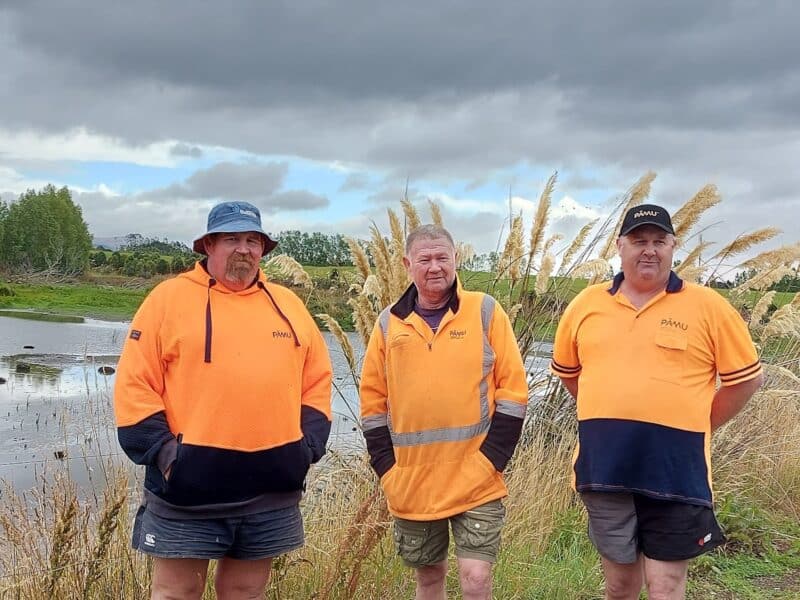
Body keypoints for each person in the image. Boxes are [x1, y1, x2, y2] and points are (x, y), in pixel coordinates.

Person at [114, 201, 332, 599]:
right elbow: (134, 384)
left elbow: (317, 378)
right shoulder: (167, 300)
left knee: (246, 591)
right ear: (209, 245)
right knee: (176, 593)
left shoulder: (289, 305)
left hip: (271, 487)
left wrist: (307, 447)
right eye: (232, 239)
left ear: (263, 249)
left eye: (253, 240)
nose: (244, 249)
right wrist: (165, 455)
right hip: (187, 489)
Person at [550, 204, 763, 600]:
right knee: (619, 586)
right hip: (605, 467)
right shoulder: (585, 305)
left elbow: (747, 380)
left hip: (676, 469)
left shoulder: (709, 306)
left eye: (658, 241)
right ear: (619, 247)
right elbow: (569, 373)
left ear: (673, 246)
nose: (649, 250)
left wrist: (698, 423)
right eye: (638, 241)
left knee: (666, 586)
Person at [360, 224, 528, 600]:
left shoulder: (485, 311)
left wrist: (491, 461)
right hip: (412, 482)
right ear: (408, 264)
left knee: (476, 578)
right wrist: (388, 469)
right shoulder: (388, 323)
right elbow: (372, 403)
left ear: (455, 261)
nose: (435, 267)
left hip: (477, 479)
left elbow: (514, 393)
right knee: (429, 579)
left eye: (442, 258)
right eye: (425, 259)